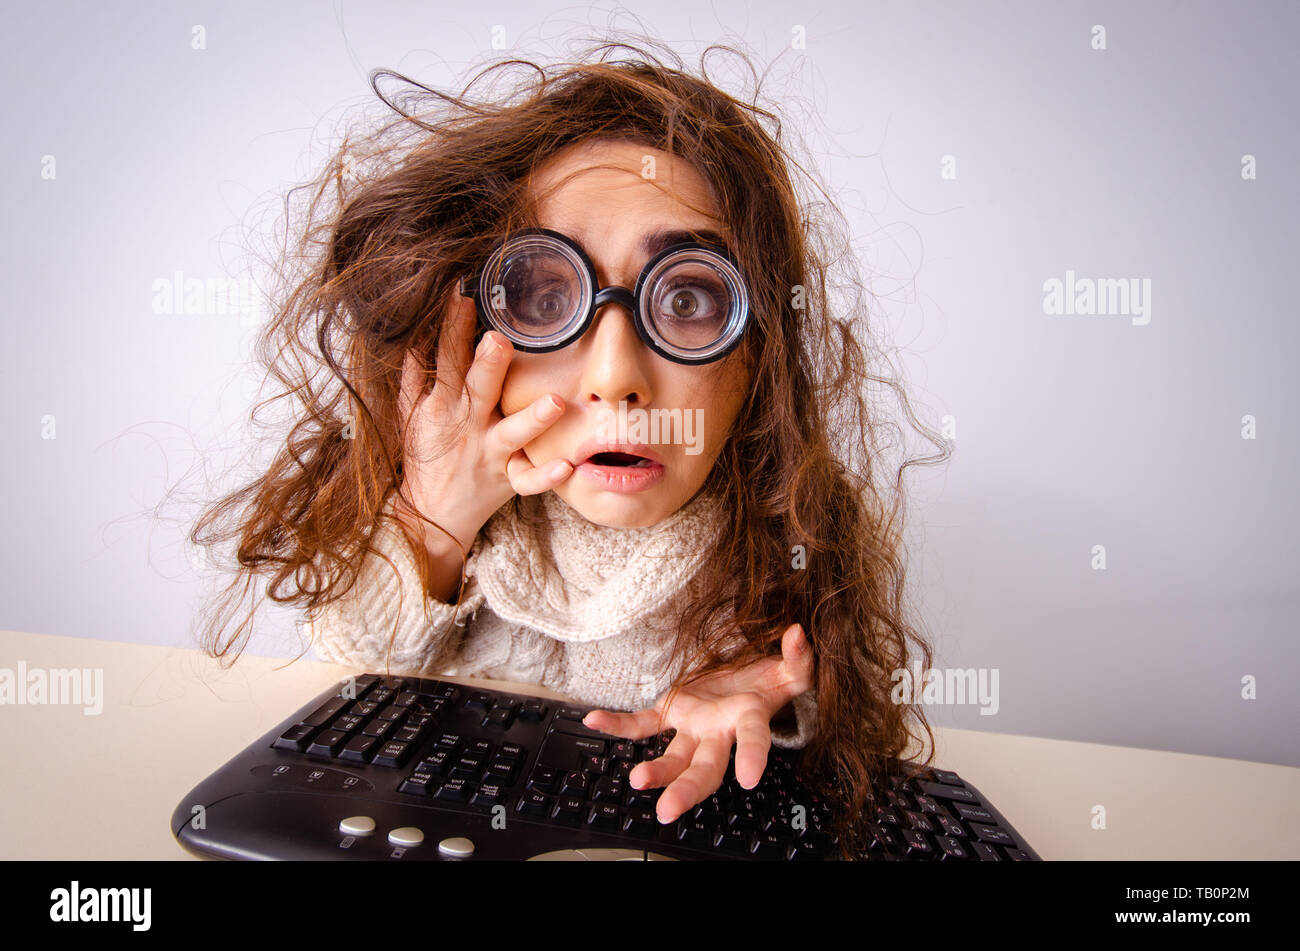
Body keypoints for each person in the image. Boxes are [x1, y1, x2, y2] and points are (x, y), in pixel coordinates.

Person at [191, 39, 951, 857]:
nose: (617, 378)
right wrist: (436, 519)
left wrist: (774, 712)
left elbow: (856, 735)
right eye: (548, 296)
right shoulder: (472, 508)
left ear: (758, 359)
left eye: (688, 298)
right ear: (473, 332)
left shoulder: (787, 537)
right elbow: (352, 665)